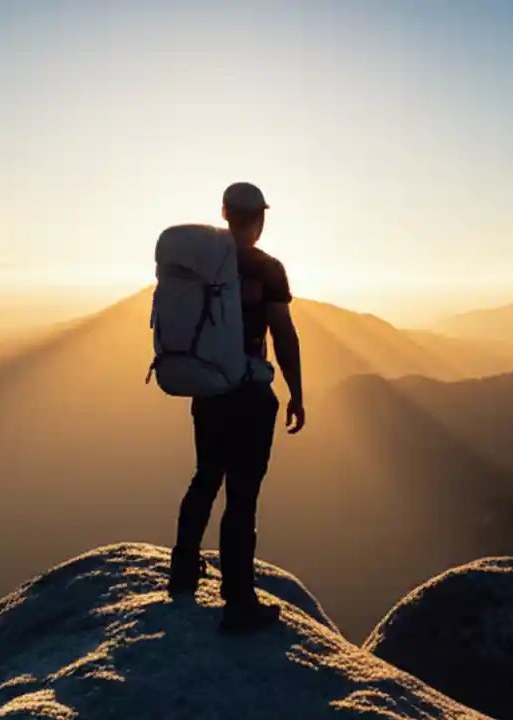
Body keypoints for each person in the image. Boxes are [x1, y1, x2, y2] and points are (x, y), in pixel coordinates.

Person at [167, 181, 306, 635]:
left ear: (225, 213)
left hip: (208, 391)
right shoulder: (267, 268)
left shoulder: (201, 264)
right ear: (260, 219)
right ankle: (239, 602)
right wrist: (297, 392)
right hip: (249, 395)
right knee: (242, 496)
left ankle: (183, 572)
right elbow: (282, 333)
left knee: (205, 477)